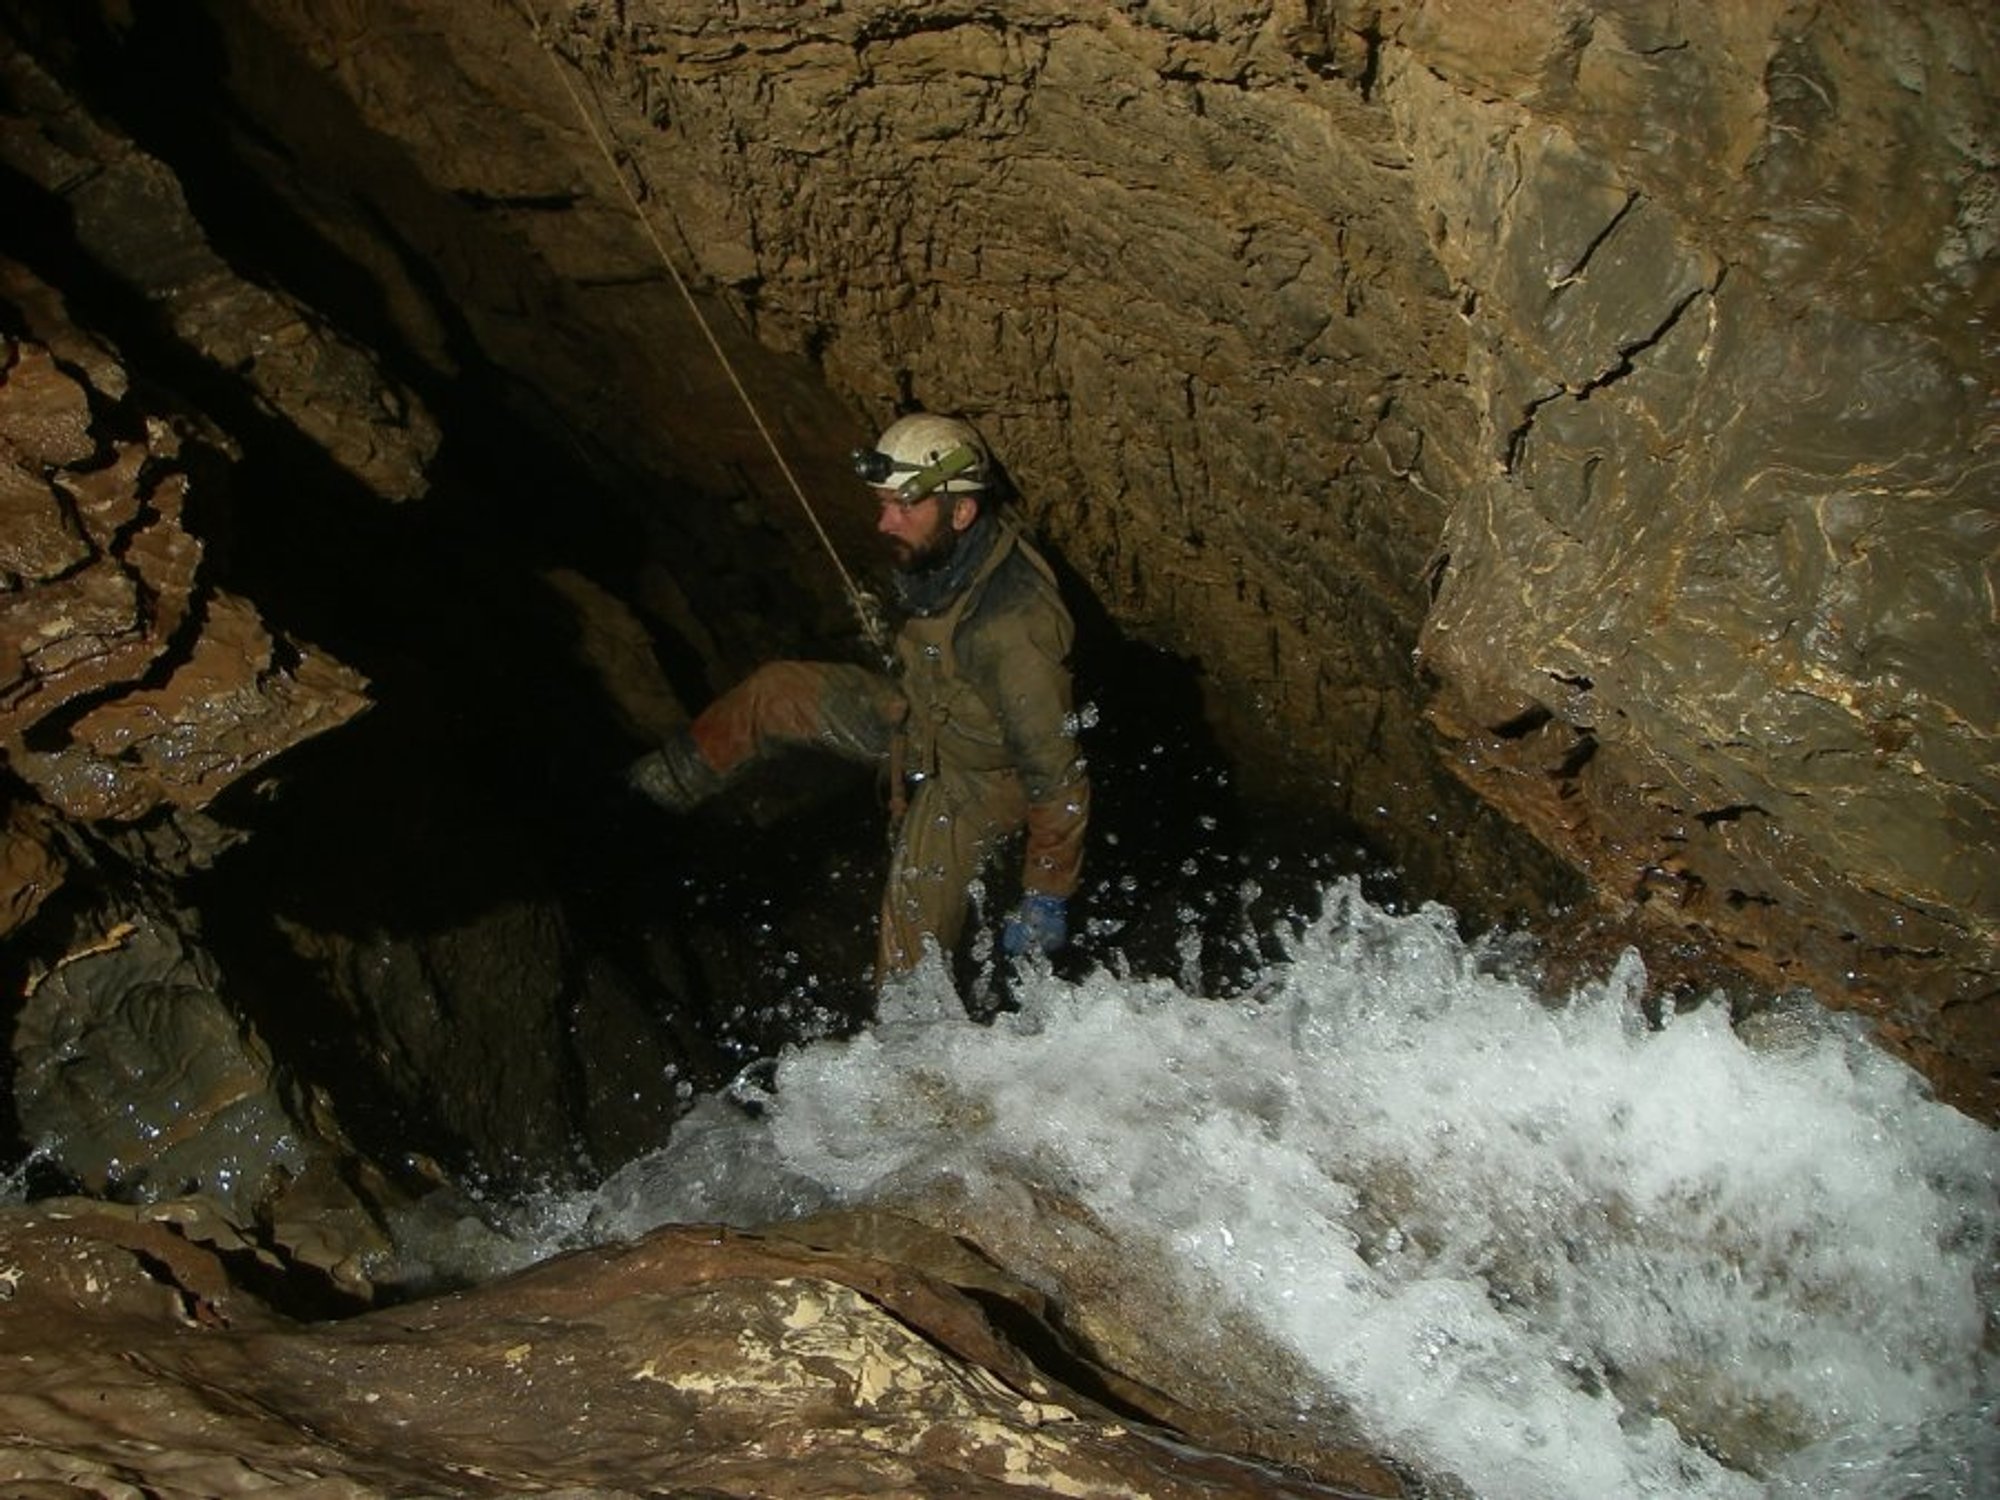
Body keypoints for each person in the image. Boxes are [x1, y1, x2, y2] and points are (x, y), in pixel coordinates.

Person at [627, 413, 1091, 998]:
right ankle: (643, 797)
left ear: (962, 511)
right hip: (919, 715)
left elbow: (1056, 771)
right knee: (776, 690)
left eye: (901, 508)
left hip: (979, 779)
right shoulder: (951, 550)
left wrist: (1046, 890)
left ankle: (911, 1048)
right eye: (882, 504)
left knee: (907, 948)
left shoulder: (1015, 624)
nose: (883, 522)